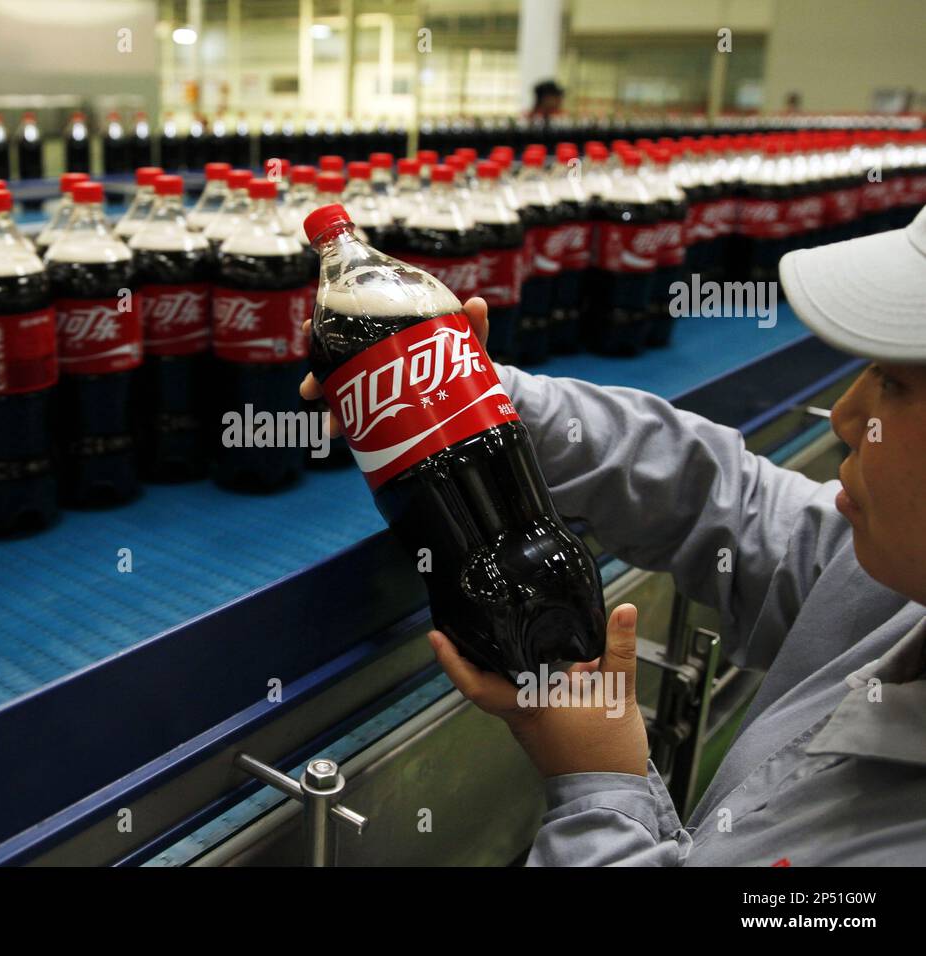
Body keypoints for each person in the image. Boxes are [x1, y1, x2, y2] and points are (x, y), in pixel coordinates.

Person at [300, 204, 926, 865]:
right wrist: (460, 395)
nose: (848, 415)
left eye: (891, 381)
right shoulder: (899, 579)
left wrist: (600, 786)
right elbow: (728, 504)